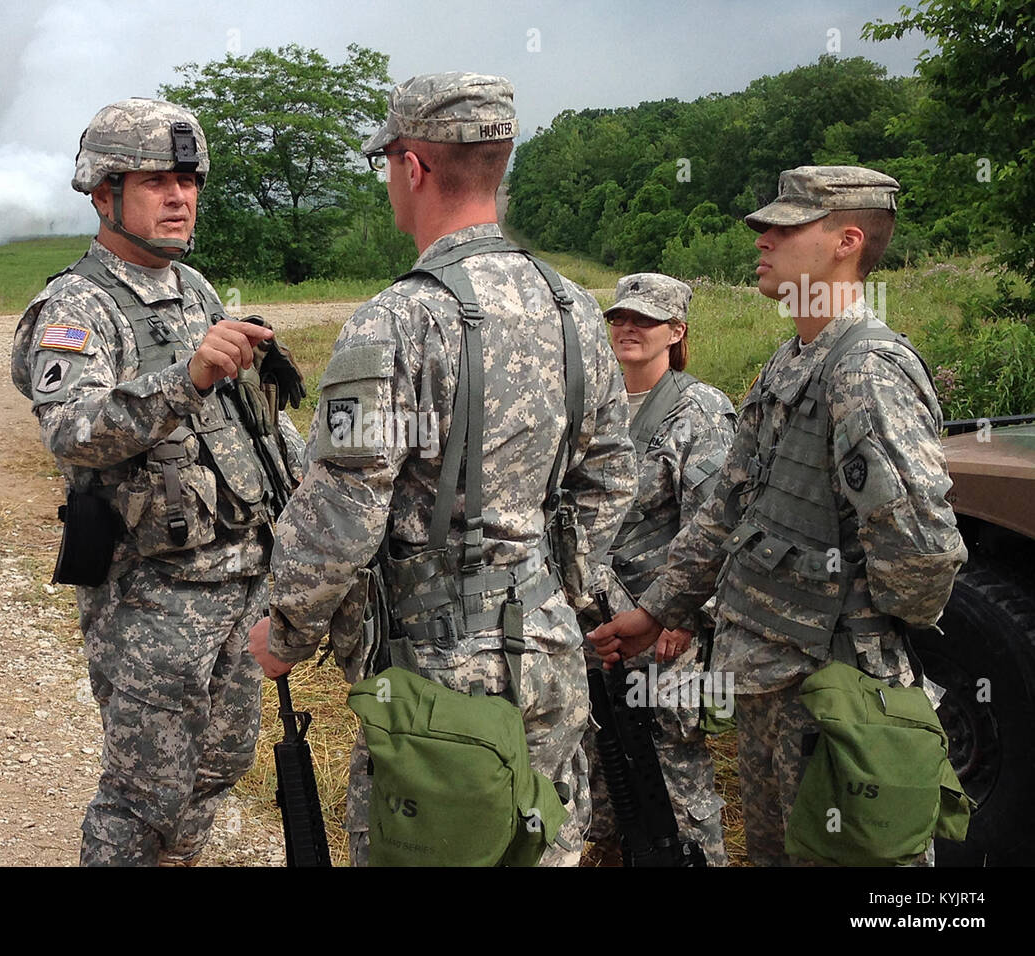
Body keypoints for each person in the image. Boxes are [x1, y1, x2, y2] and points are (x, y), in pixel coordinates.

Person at [247, 72, 637, 866]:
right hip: (550, 652)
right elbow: (609, 476)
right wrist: (555, 584)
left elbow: (344, 513)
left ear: (412, 166)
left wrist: (284, 630)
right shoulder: (573, 309)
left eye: (388, 162)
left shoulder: (396, 320)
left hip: (435, 676)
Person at [591, 166, 967, 866]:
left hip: (834, 697)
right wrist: (661, 609)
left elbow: (924, 553)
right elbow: (728, 507)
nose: (762, 237)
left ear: (846, 241)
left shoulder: (866, 368)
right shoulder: (788, 363)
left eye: (785, 226)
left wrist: (857, 645)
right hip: (772, 689)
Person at [9, 97, 306, 866]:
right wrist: (189, 376)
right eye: (156, 183)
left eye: (189, 180)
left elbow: (251, 425)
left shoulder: (195, 288)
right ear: (104, 194)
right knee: (143, 797)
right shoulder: (77, 305)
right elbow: (72, 432)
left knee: (217, 771)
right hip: (151, 595)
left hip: (240, 582)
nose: (180, 198)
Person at [583, 272, 736, 866]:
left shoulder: (699, 411)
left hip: (663, 625)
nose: (628, 328)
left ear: (676, 331)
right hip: (592, 619)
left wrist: (683, 616)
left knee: (672, 768)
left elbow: (714, 526)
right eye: (620, 317)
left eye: (644, 320)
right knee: (599, 764)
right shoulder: (591, 404)